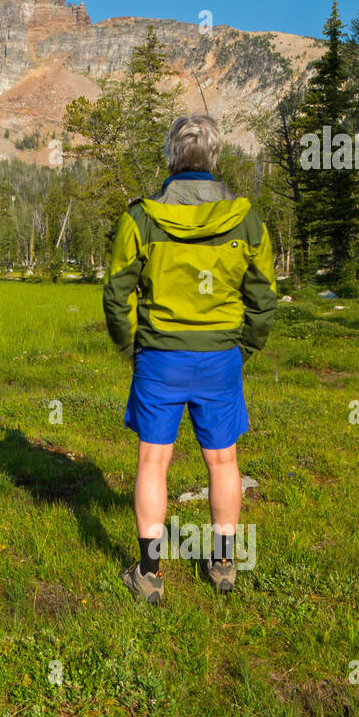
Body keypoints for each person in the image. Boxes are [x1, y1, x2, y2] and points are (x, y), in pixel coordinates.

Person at [102, 114, 278, 604]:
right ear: (215, 157)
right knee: (223, 461)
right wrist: (244, 347)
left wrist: (129, 345)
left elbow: (117, 294)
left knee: (152, 460)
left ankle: (149, 572)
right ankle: (223, 565)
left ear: (170, 156)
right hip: (220, 358)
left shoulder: (141, 216)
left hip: (159, 357)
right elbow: (263, 297)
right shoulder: (245, 218)